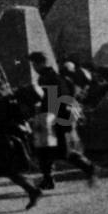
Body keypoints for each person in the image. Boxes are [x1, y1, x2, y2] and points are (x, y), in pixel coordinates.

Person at [0, 60, 42, 209]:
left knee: (8, 170)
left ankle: (33, 190)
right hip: (6, 135)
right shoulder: (5, 88)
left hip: (1, 137)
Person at [27, 52, 99, 190]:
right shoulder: (58, 77)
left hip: (54, 119)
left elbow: (52, 103)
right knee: (50, 151)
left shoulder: (47, 78)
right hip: (62, 118)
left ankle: (89, 168)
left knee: (56, 151)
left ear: (41, 63)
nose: (34, 67)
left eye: (34, 64)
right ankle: (48, 179)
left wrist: (44, 120)